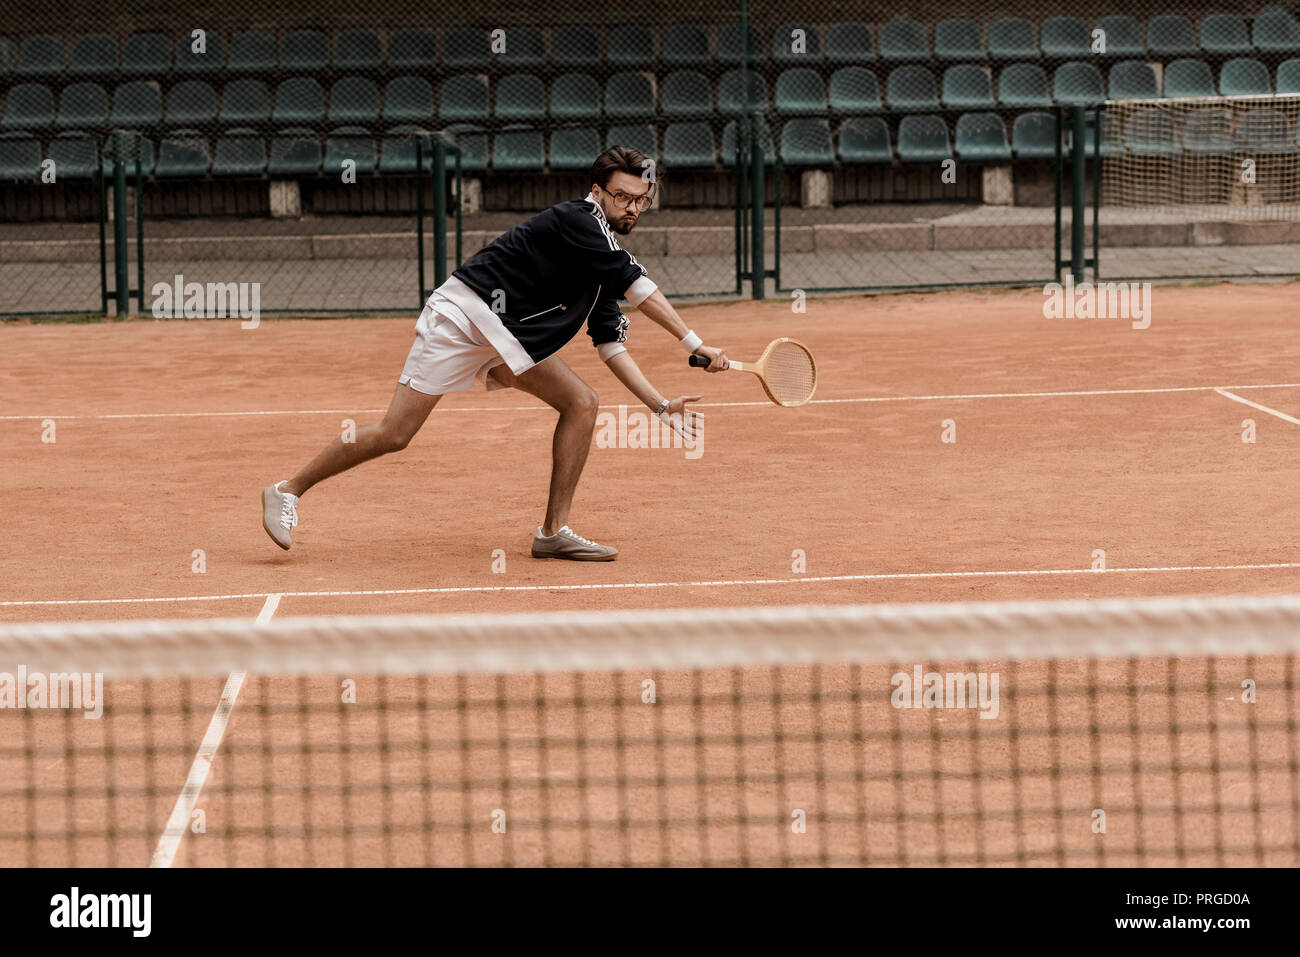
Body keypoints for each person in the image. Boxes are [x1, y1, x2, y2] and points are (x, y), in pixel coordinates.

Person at [262, 145, 729, 561]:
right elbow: (641, 288)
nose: (631, 207)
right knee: (395, 433)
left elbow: (611, 344)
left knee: (582, 403)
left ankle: (553, 532)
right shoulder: (580, 220)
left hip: (509, 340)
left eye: (640, 199)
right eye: (622, 196)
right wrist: (694, 343)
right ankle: (288, 489)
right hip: (463, 319)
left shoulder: (603, 254)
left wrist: (660, 404)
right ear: (598, 193)